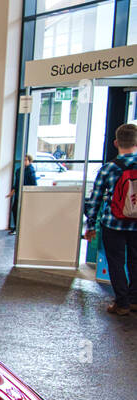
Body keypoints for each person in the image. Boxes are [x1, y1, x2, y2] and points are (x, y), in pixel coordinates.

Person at [83, 122, 137, 316]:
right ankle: (134, 300)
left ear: (116, 143)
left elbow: (95, 200)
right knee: (135, 261)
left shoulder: (108, 169)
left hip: (113, 223)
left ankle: (121, 303)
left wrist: (90, 226)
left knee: (115, 262)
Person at [8, 155, 36, 233]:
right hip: (18, 194)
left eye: (26, 160)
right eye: (23, 160)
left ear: (30, 161)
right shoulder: (19, 170)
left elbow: (33, 183)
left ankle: (22, 227)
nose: (24, 162)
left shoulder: (31, 171)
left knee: (23, 211)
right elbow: (16, 183)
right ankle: (16, 227)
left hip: (26, 194)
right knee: (15, 209)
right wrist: (12, 192)